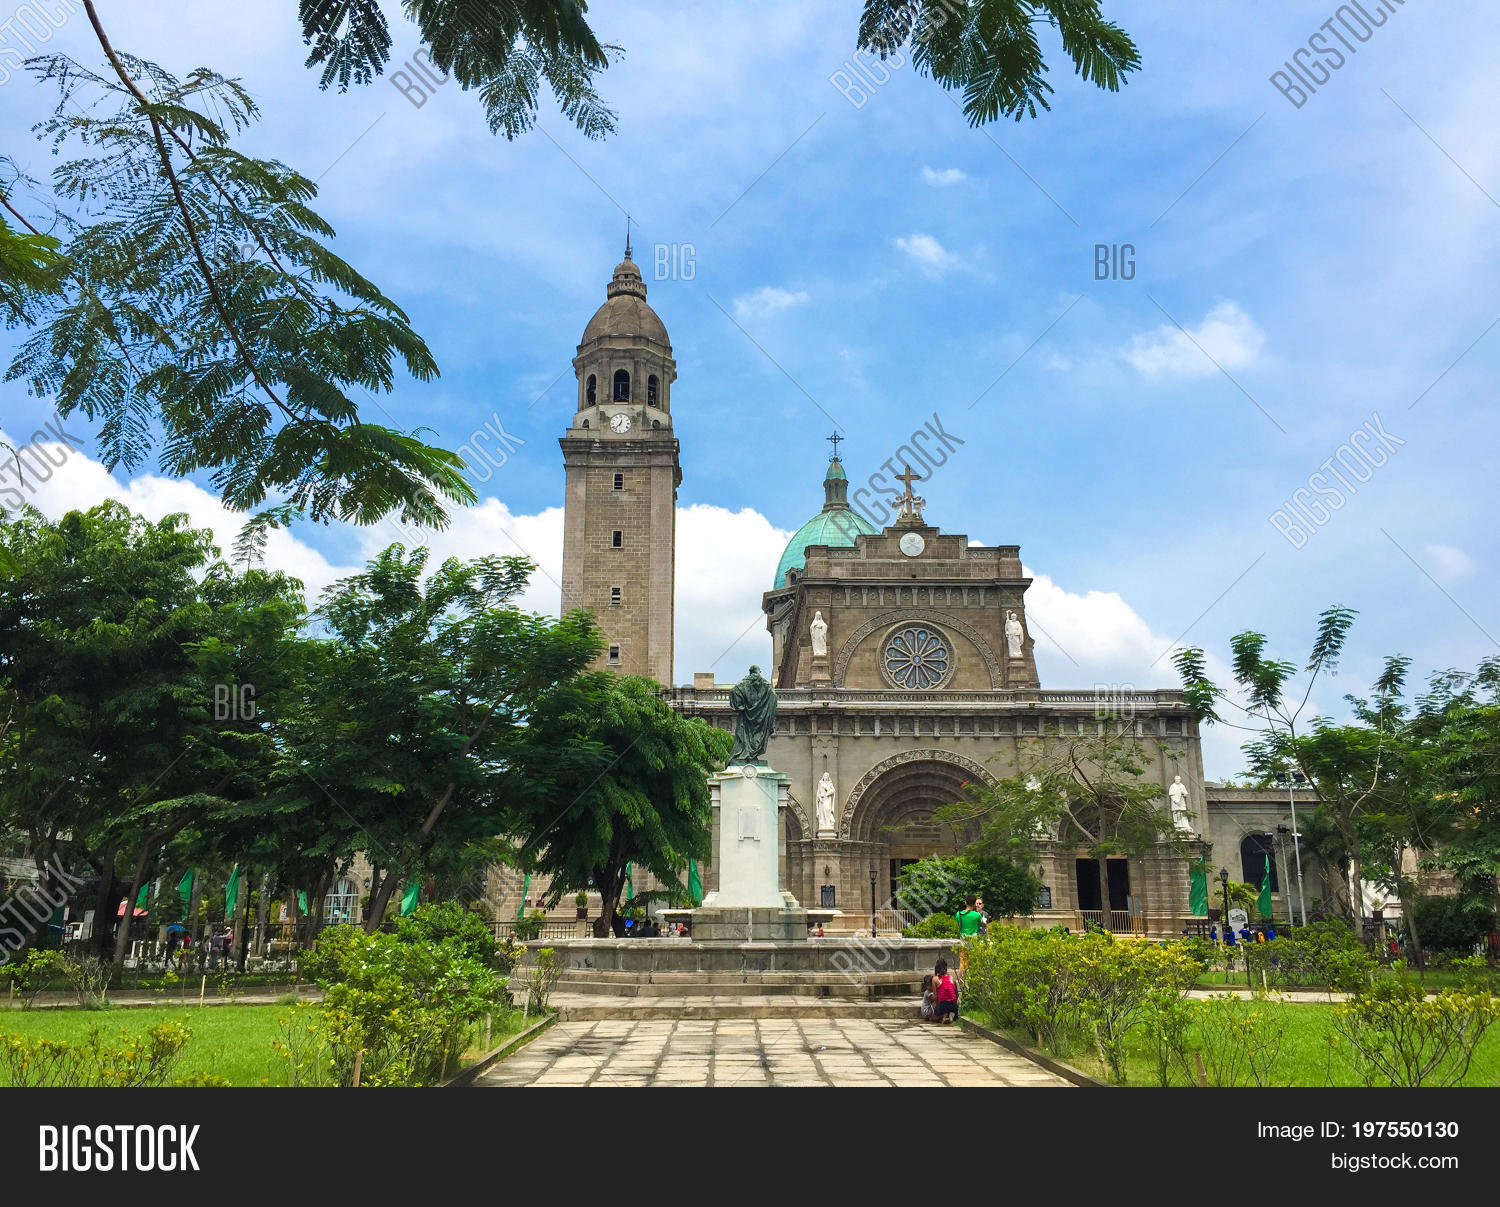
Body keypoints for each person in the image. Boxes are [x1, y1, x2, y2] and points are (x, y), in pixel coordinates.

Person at [932, 958, 958, 1022]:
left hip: (943, 1006)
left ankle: (944, 1015)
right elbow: (956, 994)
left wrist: (936, 1005)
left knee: (935, 1013)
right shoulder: (952, 978)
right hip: (954, 1006)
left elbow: (935, 997)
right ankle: (950, 1013)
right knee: (949, 1004)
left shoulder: (935, 979)